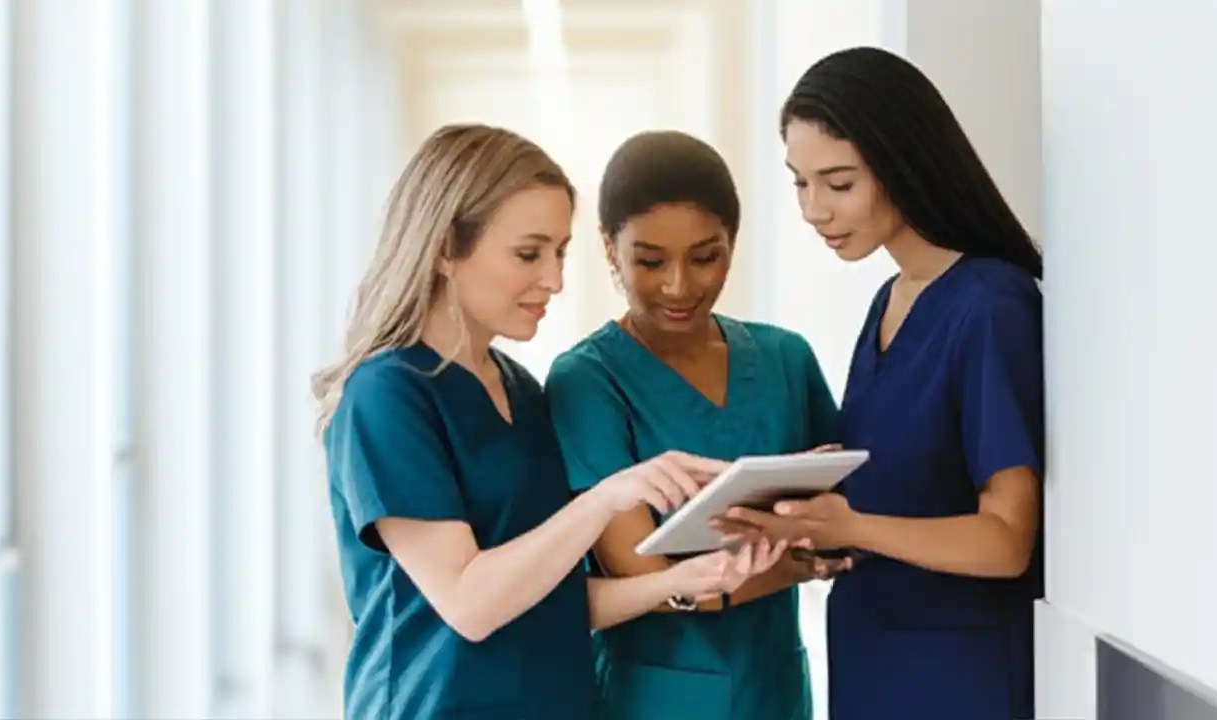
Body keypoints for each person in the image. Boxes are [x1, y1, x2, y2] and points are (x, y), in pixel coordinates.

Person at [313, 123, 785, 720]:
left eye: (560, 252)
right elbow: (469, 602)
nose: (554, 280)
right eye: (528, 254)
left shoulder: (523, 392)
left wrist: (683, 580)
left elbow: (552, 603)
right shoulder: (387, 395)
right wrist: (607, 499)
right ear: (445, 249)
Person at [716, 47, 1045, 719]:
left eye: (838, 184)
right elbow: (909, 485)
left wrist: (854, 524)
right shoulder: (889, 301)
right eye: (800, 183)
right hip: (871, 651)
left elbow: (1007, 540)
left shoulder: (991, 306)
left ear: (903, 163)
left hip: (957, 674)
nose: (814, 209)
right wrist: (809, 508)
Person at [545, 130, 850, 720]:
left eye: (705, 257)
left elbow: (840, 520)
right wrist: (790, 563)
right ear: (609, 248)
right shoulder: (587, 380)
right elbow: (642, 575)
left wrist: (818, 540)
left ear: (732, 244)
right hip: (655, 698)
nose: (679, 286)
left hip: (774, 687)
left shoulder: (785, 359)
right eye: (650, 261)